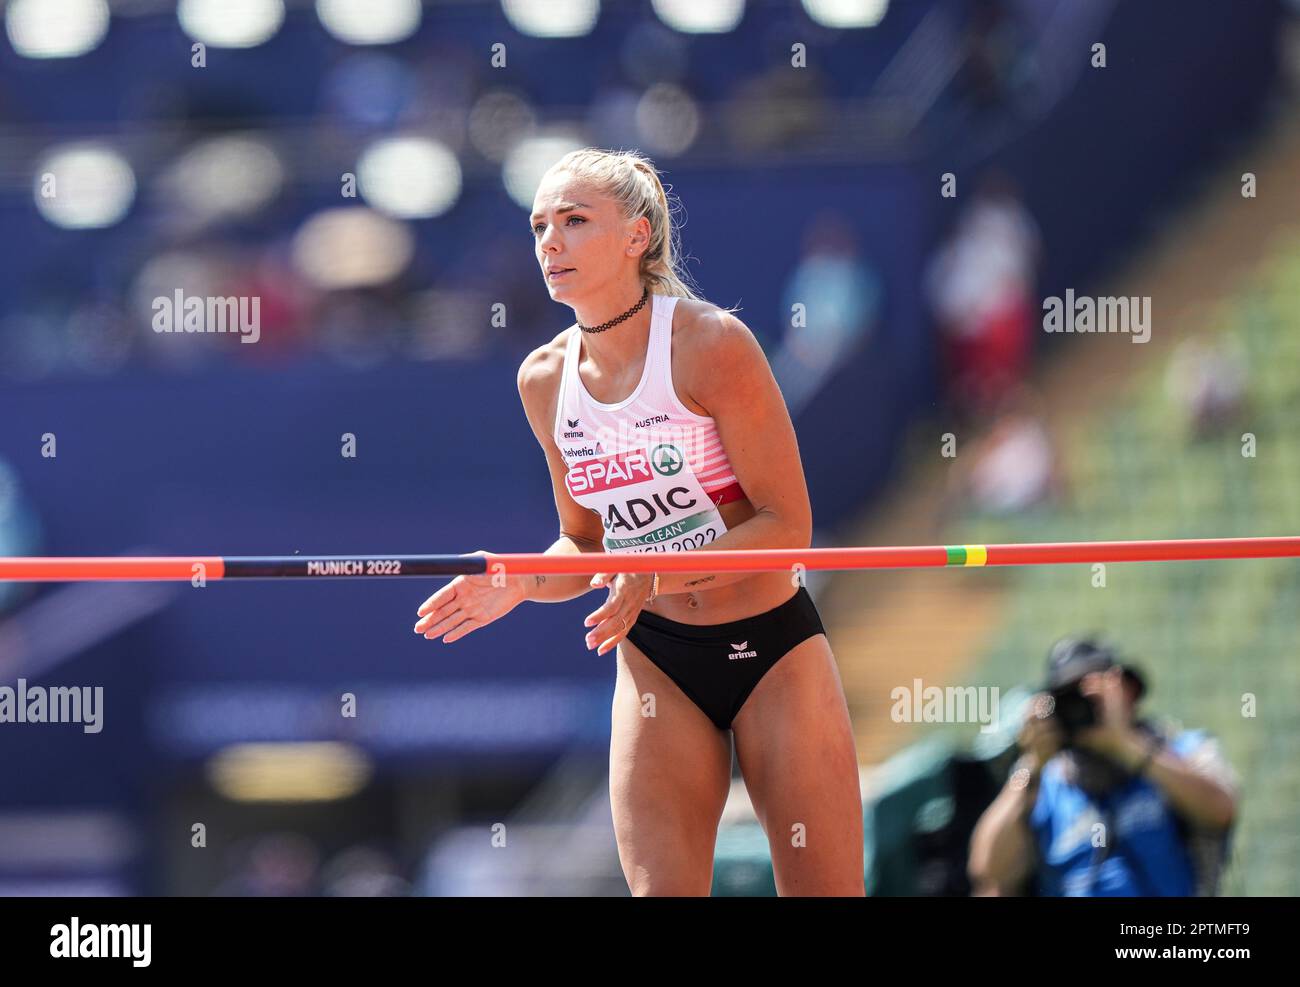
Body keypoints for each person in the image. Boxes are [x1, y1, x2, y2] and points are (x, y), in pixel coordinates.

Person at [412, 148, 864, 896]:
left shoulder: (711, 344)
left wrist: (655, 565)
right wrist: (521, 581)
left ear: (637, 236)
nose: (549, 243)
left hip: (773, 651)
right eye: (538, 227)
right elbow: (586, 543)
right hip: (656, 659)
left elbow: (788, 527)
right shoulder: (543, 379)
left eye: (574, 221)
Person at [968, 638, 1239, 896]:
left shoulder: (1179, 749)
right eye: (1069, 697)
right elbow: (987, 872)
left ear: (1128, 691)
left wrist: (1125, 745)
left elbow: (1220, 810)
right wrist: (1031, 765)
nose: (1083, 707)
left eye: (1093, 694)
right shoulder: (1043, 782)